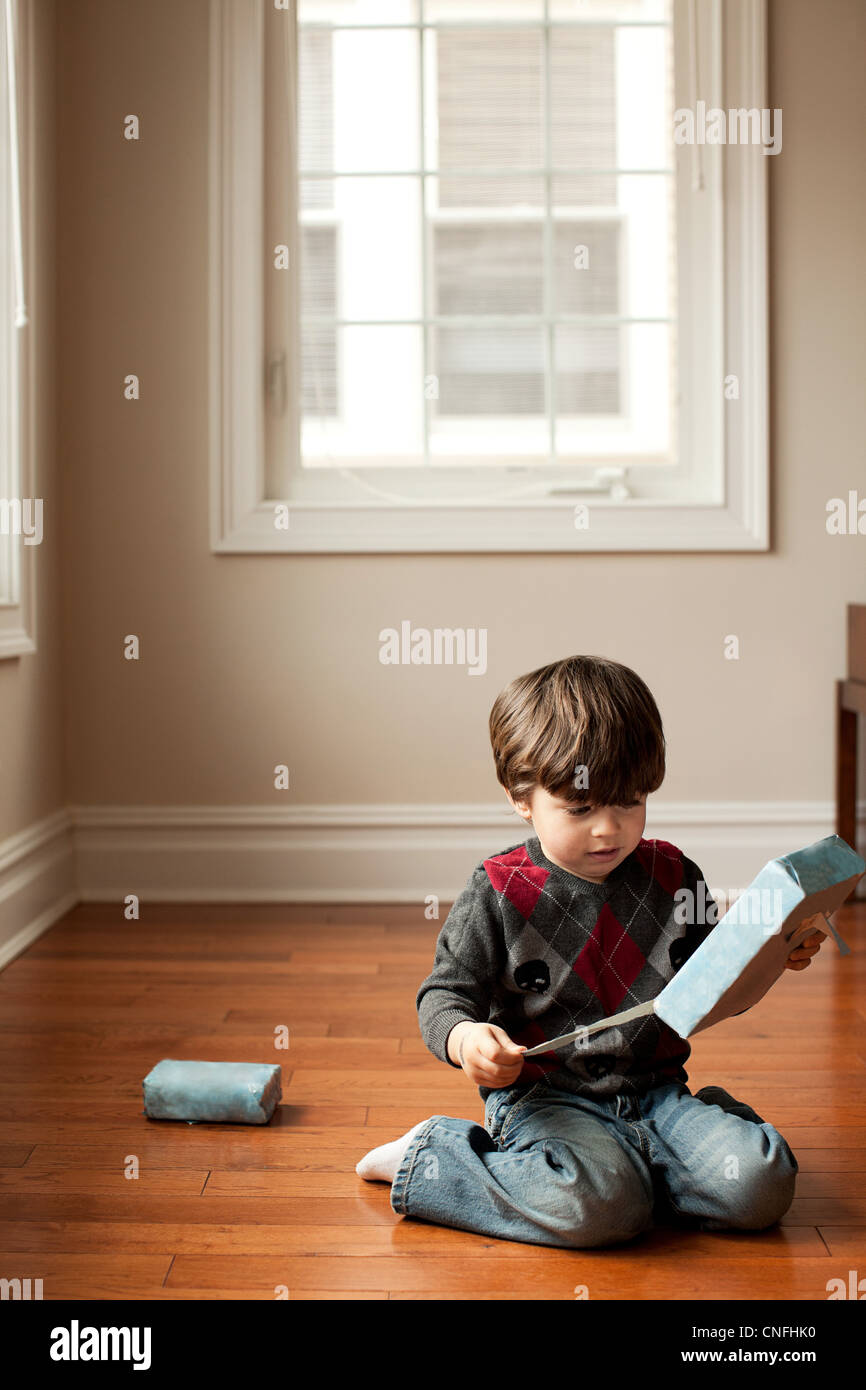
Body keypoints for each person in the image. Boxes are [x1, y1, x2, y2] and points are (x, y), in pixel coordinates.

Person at [356, 654, 824, 1248]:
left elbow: (714, 977)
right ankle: (431, 1158)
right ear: (521, 797)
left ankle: (643, 1169)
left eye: (627, 802)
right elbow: (443, 995)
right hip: (546, 1100)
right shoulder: (498, 890)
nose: (608, 828)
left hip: (657, 1095)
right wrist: (466, 1040)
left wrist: (774, 952)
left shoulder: (675, 874)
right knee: (597, 1210)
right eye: (580, 809)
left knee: (760, 1187)